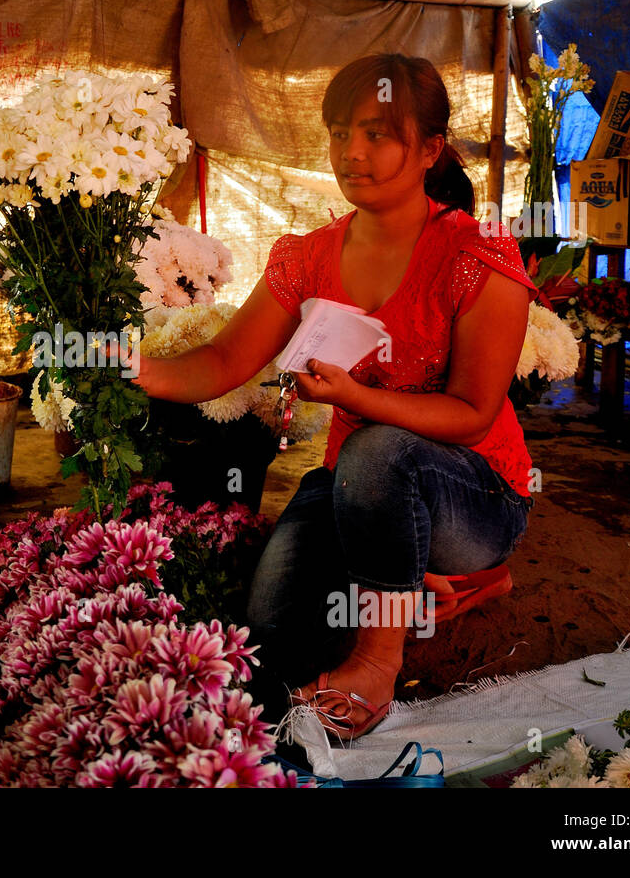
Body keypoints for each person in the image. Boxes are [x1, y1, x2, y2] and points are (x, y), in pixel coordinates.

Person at [125, 53, 538, 741]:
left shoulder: (477, 256)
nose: (352, 152)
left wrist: (354, 396)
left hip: (477, 498)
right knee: (277, 633)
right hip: (361, 487)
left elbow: (471, 415)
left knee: (379, 451)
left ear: (430, 149)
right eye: (340, 132)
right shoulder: (309, 255)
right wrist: (132, 367)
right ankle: (424, 587)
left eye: (378, 134)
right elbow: (226, 358)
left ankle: (382, 656)